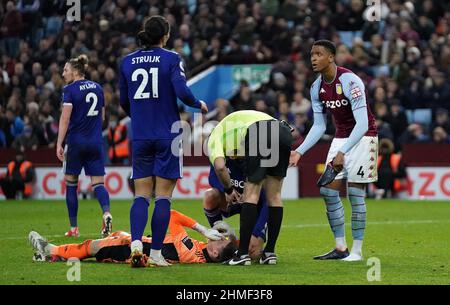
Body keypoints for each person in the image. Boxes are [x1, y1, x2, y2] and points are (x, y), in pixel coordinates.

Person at [119, 15, 208, 267]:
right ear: (165, 35)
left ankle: (136, 243)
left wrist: (139, 116)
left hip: (141, 135)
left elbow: (124, 101)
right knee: (164, 197)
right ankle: (156, 254)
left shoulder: (127, 62)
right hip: (168, 135)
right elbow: (181, 91)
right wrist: (197, 104)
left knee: (141, 194)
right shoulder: (171, 58)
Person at [289, 40, 378, 262]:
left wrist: (343, 152)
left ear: (331, 57)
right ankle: (340, 248)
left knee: (356, 195)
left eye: (319, 54)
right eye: (311, 54)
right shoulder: (315, 88)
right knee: (328, 191)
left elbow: (363, 123)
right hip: (341, 137)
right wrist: (299, 151)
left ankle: (357, 251)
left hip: (363, 138)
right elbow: (319, 126)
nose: (313, 58)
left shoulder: (350, 81)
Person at [208, 110, 293, 265]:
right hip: (284, 130)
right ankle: (270, 253)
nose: (233, 157)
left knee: (251, 194)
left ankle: (241, 255)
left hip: (259, 131)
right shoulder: (231, 129)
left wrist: (228, 190)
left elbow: (220, 167)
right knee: (274, 196)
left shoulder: (214, 139)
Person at [28, 209, 235, 265]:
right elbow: (231, 250)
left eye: (220, 240)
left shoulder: (190, 250)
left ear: (215, 252)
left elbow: (171, 215)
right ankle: (54, 257)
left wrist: (201, 229)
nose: (218, 236)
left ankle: (50, 250)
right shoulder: (203, 252)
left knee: (92, 246)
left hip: (131, 249)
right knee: (114, 235)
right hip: (138, 241)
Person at [56, 54, 113, 238]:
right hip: (96, 142)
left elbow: (65, 118)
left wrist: (59, 143)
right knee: (98, 183)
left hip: (76, 142)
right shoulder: (98, 88)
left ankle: (73, 228)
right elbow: (102, 117)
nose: (63, 73)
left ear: (75, 71)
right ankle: (106, 213)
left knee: (71, 183)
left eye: (65, 70)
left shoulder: (70, 90)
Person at [204, 157, 268, 260]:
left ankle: (238, 242)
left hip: (253, 206)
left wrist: (256, 233)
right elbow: (212, 177)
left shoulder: (257, 159)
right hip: (230, 201)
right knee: (210, 195)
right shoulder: (220, 152)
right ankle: (219, 232)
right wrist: (226, 190)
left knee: (253, 253)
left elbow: (267, 201)